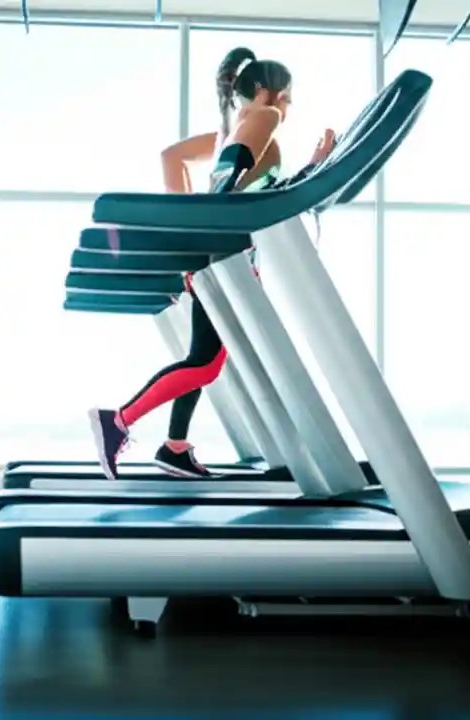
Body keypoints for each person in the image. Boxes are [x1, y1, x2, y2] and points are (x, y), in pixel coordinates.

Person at [88, 46, 338, 480]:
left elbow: (174, 158)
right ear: (265, 91)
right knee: (206, 362)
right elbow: (232, 186)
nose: (289, 108)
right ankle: (118, 421)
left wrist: (191, 238)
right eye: (288, 97)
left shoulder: (229, 131)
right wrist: (200, 233)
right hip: (226, 256)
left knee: (203, 357)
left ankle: (175, 447)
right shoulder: (265, 118)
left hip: (216, 251)